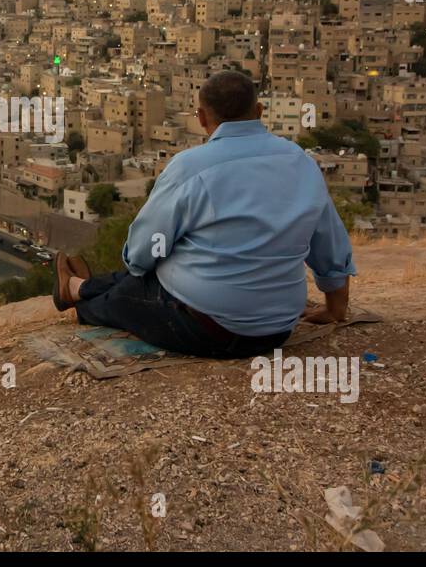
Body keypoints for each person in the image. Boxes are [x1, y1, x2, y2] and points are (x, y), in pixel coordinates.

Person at [53, 70, 356, 358]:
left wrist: (145, 263)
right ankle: (77, 286)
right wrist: (335, 308)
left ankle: (77, 296)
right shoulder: (301, 162)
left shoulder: (190, 166)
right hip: (277, 329)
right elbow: (330, 244)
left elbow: (140, 254)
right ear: (260, 110)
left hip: (206, 328)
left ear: (200, 117)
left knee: (132, 291)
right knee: (158, 272)